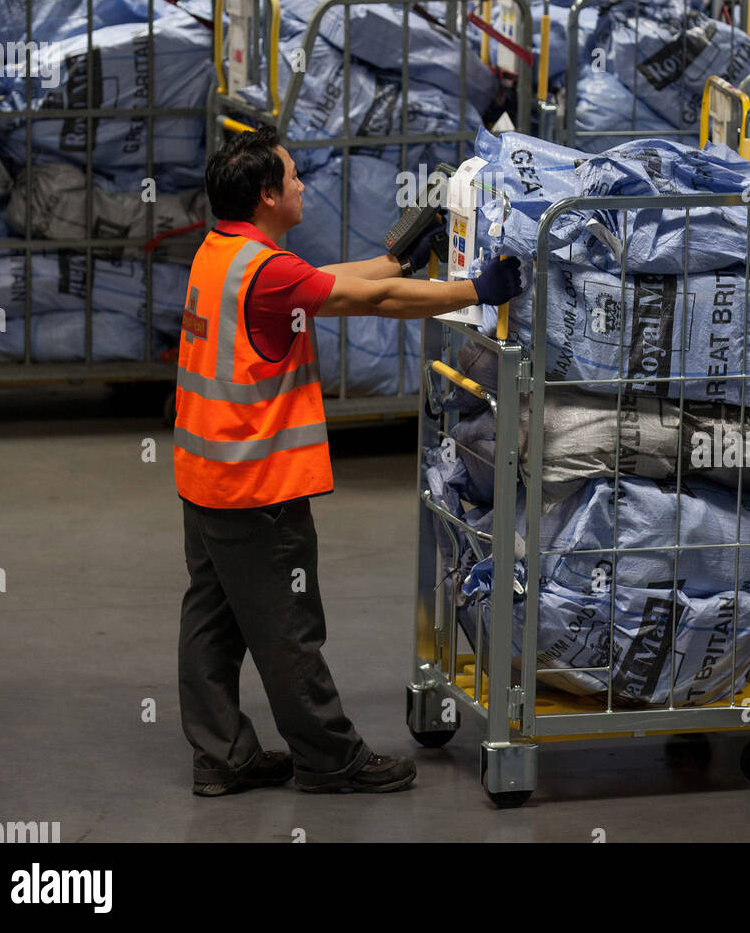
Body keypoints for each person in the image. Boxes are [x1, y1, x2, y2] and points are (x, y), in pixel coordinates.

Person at [174, 125, 522, 796]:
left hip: (207, 479)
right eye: (294, 176)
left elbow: (329, 283)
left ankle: (222, 755)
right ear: (270, 196)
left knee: (211, 625)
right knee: (287, 628)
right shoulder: (265, 270)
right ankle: (328, 758)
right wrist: (475, 290)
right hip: (257, 487)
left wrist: (395, 262)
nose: (304, 184)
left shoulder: (225, 253)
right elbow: (370, 303)